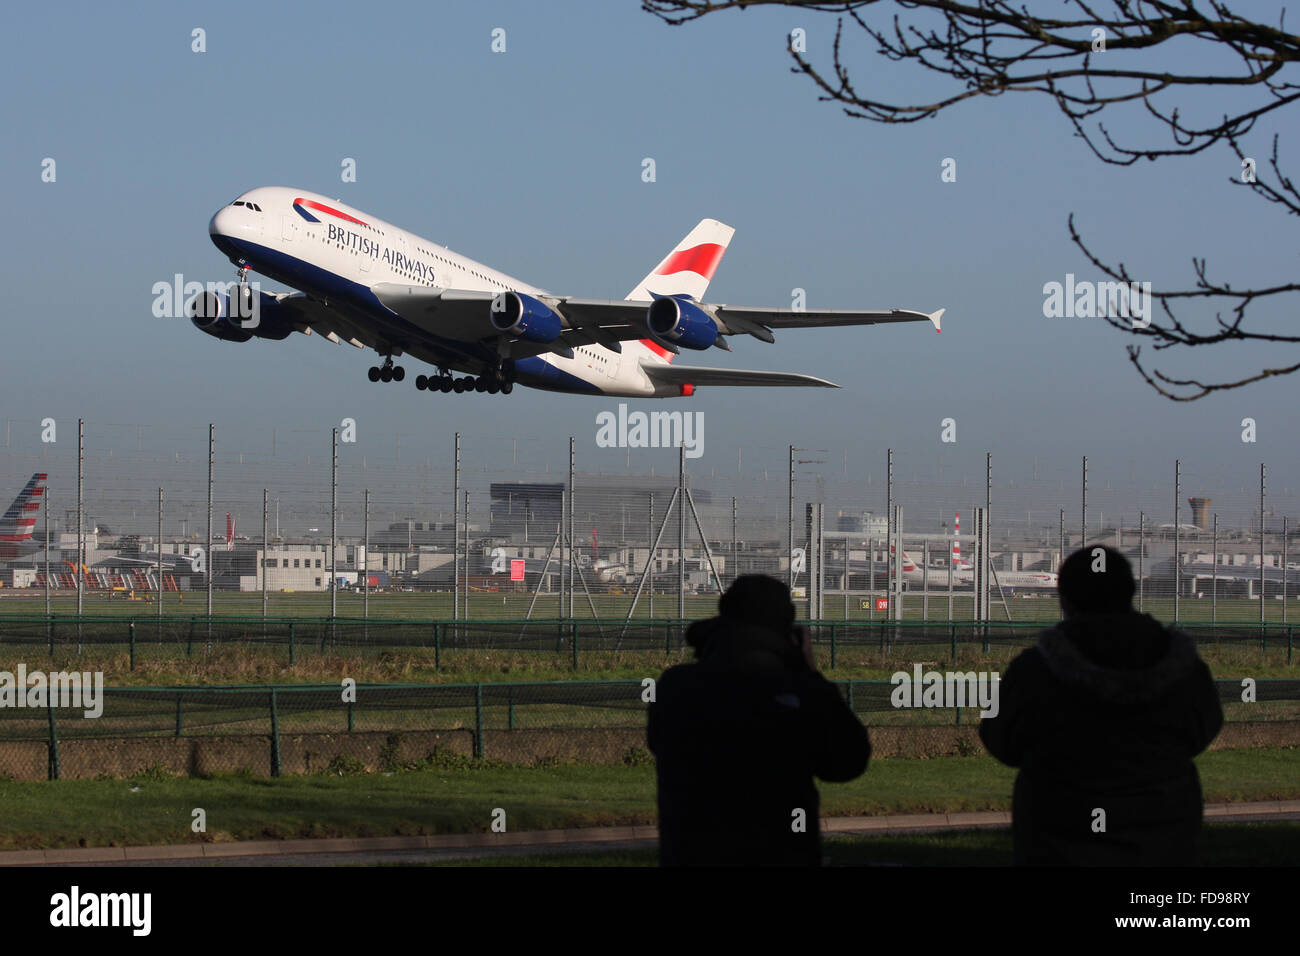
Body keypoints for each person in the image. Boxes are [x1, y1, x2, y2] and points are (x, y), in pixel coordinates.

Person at [979, 546, 1224, 865]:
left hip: (1058, 835)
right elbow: (1205, 727)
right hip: (1162, 833)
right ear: (1131, 592)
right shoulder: (1183, 666)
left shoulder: (1035, 669)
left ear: (1065, 600)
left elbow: (1001, 741)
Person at [647, 574, 870, 866]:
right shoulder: (797, 690)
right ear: (787, 626)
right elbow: (847, 761)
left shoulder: (674, 687)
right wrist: (810, 674)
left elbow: (659, 743)